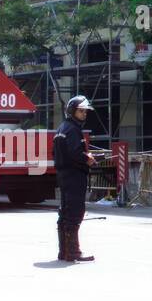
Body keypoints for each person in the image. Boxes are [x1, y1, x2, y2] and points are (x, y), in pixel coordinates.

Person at [53, 96, 95, 263]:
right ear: (72, 111)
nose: (84, 114)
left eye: (85, 111)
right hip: (74, 176)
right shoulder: (72, 129)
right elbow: (75, 153)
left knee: (65, 213)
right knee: (74, 213)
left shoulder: (62, 128)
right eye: (81, 111)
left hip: (64, 175)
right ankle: (73, 252)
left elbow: (55, 153)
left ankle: (64, 252)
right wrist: (88, 158)